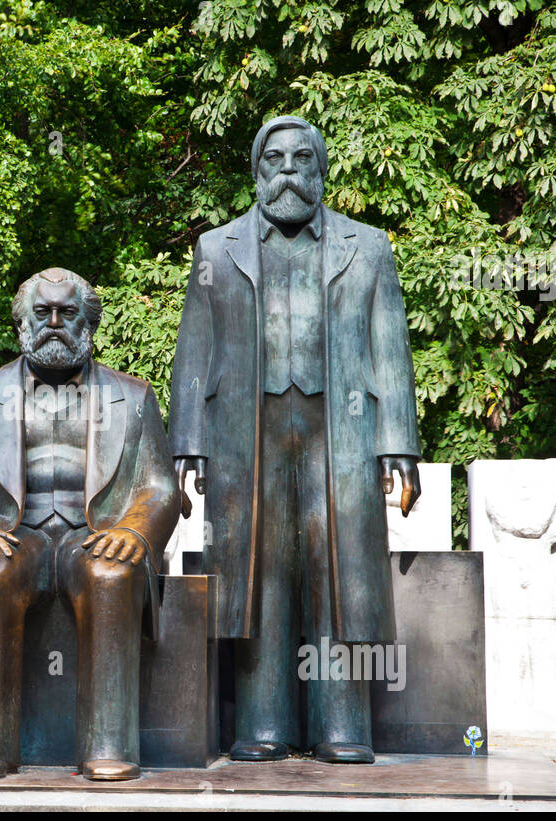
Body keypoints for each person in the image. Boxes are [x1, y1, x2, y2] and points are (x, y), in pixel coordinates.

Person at [169, 116, 422, 763]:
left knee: (339, 574)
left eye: (301, 159)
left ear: (321, 170)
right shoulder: (216, 249)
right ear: (257, 172)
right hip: (244, 432)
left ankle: (342, 725)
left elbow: (389, 345)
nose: (288, 171)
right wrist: (187, 439)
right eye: (274, 159)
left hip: (341, 431)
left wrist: (399, 441)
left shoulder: (368, 247)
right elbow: (195, 346)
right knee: (260, 574)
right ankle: (263, 725)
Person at [0, 268, 180, 781]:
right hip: (15, 533)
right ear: (21, 322)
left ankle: (109, 745)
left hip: (94, 533)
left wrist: (135, 530)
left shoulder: (133, 396)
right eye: (41, 312)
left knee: (111, 572)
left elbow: (159, 487)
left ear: (87, 323)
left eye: (67, 313)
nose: (53, 323)